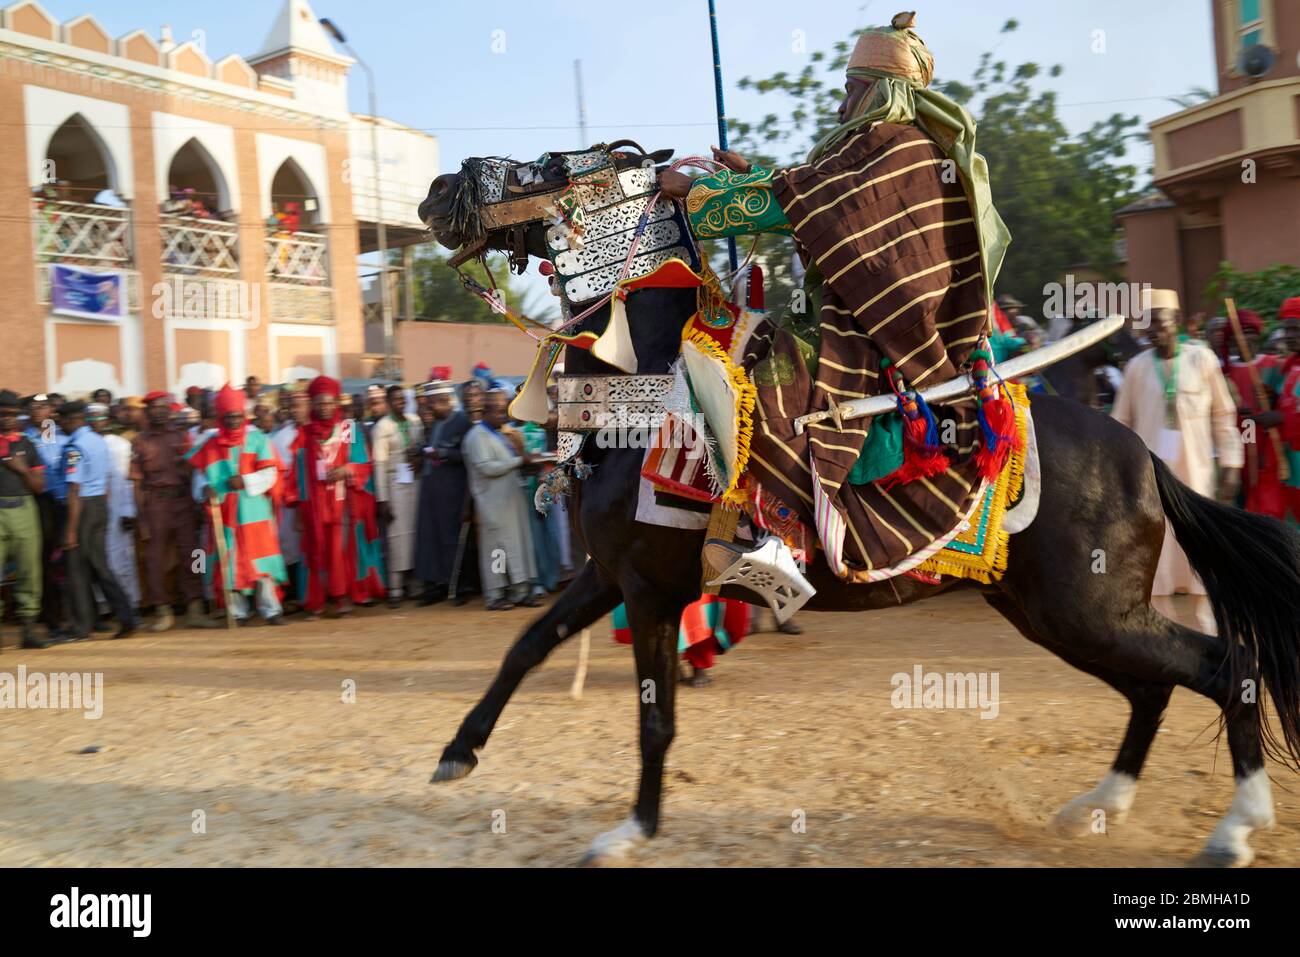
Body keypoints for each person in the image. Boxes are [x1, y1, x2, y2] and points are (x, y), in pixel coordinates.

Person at [656, 11, 1009, 578]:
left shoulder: (897, 146)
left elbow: (815, 202)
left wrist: (698, 190)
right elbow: (814, 198)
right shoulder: (884, 147)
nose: (842, 106)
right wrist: (752, 174)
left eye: (851, 91)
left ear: (879, 91)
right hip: (864, 321)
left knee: (747, 358)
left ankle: (773, 534)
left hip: (890, 337)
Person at [1113, 290, 1242, 634]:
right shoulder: (1137, 368)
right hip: (1152, 482)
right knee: (1158, 558)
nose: (1154, 329)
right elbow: (1120, 425)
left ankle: (1212, 634)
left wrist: (1231, 464)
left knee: (1203, 556)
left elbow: (1223, 417)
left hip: (1197, 478)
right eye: (1148, 323)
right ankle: (1163, 634)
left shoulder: (1203, 361)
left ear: (1177, 323)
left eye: (1161, 321)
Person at [187, 384, 287, 626]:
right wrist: (203, 490)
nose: (233, 421)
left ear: (244, 416)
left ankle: (270, 610)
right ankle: (238, 612)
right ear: (220, 418)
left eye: (237, 416)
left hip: (254, 511)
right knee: (229, 561)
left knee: (260, 560)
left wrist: (245, 480)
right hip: (224, 512)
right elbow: (199, 477)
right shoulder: (209, 444)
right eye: (228, 417)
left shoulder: (258, 439)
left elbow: (271, 474)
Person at [289, 375, 386, 619]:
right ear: (313, 405)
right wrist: (301, 507)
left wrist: (346, 470)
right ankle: (318, 602)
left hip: (342, 502)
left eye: (329, 402)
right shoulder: (305, 433)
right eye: (320, 403)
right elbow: (299, 471)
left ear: (336, 403)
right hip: (314, 503)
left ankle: (342, 598)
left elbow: (363, 461)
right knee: (317, 549)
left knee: (339, 549)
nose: (324, 408)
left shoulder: (347, 429)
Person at [59, 401, 137, 640]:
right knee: (101, 567)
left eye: (61, 420)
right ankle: (126, 616)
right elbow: (104, 481)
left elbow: (74, 489)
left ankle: (81, 628)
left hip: (81, 509)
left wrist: (71, 530)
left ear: (72, 420)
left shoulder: (74, 448)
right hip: (99, 506)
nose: (59, 425)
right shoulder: (98, 441)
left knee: (77, 569)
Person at [131, 391, 204, 631]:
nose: (160, 412)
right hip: (156, 505)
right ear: (148, 412)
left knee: (194, 555)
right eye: (155, 408)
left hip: (184, 502)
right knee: (155, 559)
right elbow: (137, 483)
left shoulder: (182, 436)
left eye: (164, 407)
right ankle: (163, 611)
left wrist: (196, 503)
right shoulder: (140, 441)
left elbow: (193, 471)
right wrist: (141, 518)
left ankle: (196, 607)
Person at [463, 390, 541, 610]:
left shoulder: (501, 433)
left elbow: (510, 463)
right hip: (491, 505)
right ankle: (495, 594)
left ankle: (520, 592)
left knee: (518, 546)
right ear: (485, 411)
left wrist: (527, 464)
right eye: (498, 411)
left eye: (504, 410)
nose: (503, 415)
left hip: (511, 501)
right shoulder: (476, 436)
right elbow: (487, 468)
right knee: (497, 551)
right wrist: (519, 461)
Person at [414, 380, 476, 605]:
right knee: (430, 539)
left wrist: (443, 452)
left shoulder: (462, 422)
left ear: (445, 401)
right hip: (432, 491)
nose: (429, 409)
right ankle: (436, 587)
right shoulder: (437, 423)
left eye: (432, 405)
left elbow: (468, 456)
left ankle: (461, 588)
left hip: (453, 493)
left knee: (453, 541)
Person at [1220, 309, 1284, 518]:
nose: (1243, 337)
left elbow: (1284, 400)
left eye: (1248, 331)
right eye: (1238, 333)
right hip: (1241, 444)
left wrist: (1272, 401)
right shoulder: (1226, 373)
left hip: (1269, 445)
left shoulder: (1273, 365)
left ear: (1256, 334)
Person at [0, 390, 50, 649]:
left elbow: (40, 485)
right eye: (3, 414)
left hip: (23, 509)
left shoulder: (25, 444)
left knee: (29, 569)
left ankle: (29, 630)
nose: (8, 419)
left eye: (12, 415)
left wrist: (20, 468)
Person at [1247, 304, 1300, 526]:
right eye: (1286, 330)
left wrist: (1279, 418)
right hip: (1288, 463)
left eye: (1296, 329)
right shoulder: (1289, 368)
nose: (1289, 336)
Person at [372, 384, 423, 607]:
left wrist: (418, 459)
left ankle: (414, 584)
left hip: (414, 482)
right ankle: (395, 588)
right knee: (396, 537)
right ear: (388, 402)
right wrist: (382, 499)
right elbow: (379, 465)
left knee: (414, 534)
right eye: (395, 399)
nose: (400, 402)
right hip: (393, 484)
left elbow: (421, 447)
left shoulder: (414, 421)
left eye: (402, 399)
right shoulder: (382, 427)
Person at [24, 393, 70, 638]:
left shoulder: (63, 438)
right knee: (44, 561)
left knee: (67, 561)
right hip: (38, 504)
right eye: (32, 407)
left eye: (41, 407)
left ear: (51, 410)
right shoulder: (24, 439)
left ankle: (74, 616)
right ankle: (51, 619)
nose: (36, 411)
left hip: (62, 504)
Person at [93, 401, 140, 611]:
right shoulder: (83, 443)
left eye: (100, 418)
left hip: (118, 509)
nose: (97, 422)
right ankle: (104, 606)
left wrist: (129, 510)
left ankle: (131, 603)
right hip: (93, 510)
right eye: (92, 418)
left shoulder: (120, 445)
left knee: (124, 558)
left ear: (108, 420)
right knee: (99, 557)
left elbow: (126, 480)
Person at [271, 387, 309, 604]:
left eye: (299, 406)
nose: (295, 411)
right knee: (290, 548)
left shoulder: (319, 432)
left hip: (315, 500)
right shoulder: (280, 437)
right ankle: (293, 596)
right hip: (290, 503)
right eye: (292, 407)